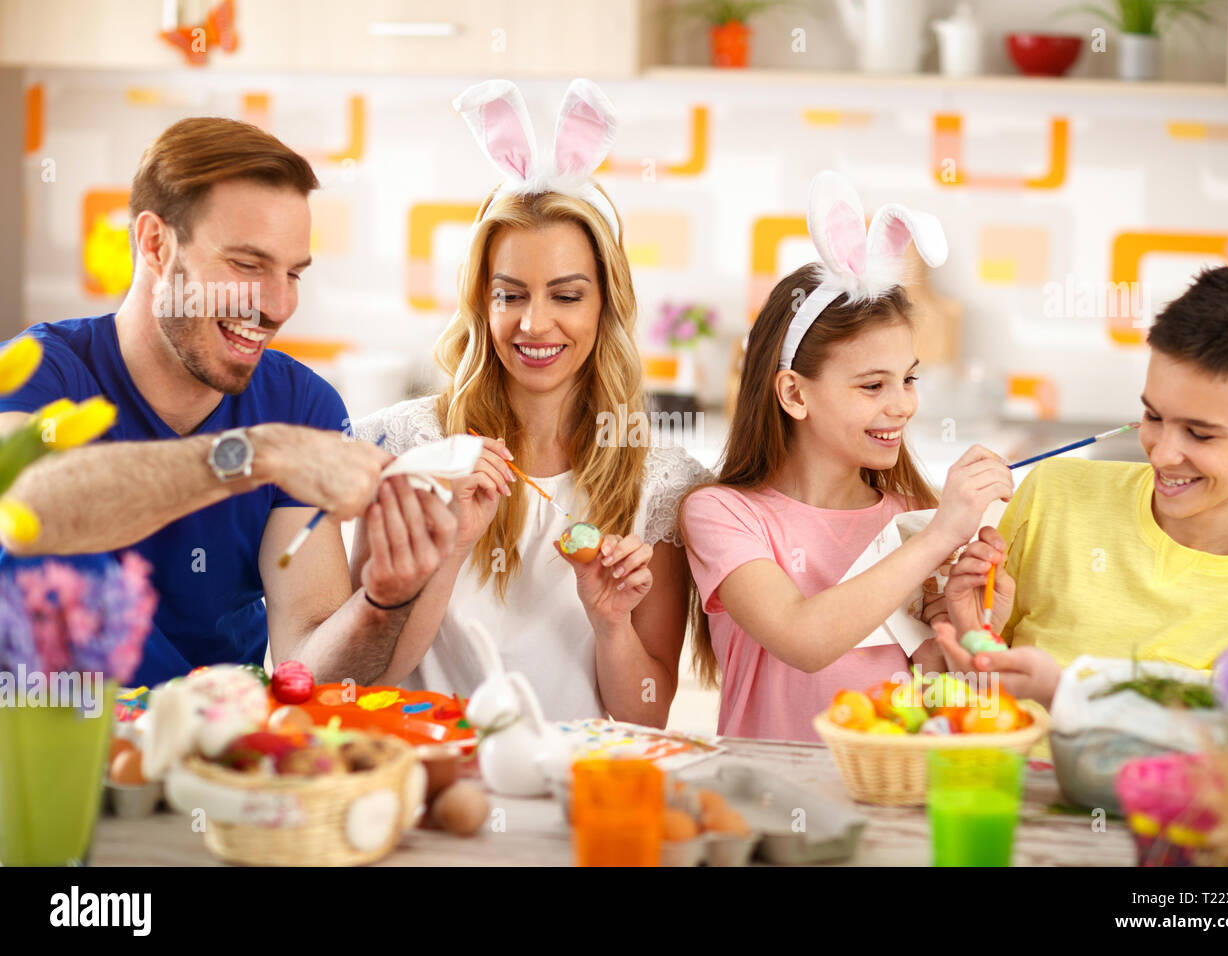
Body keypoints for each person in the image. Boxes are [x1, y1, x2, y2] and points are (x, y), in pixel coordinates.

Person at [0, 117, 458, 686]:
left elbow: (305, 667)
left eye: (293, 273)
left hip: (211, 758)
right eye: (247, 264)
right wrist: (255, 454)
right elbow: (26, 511)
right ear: (155, 243)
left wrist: (380, 605)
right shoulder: (37, 372)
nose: (277, 305)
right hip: (44, 747)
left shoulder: (301, 406)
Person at [350, 79, 711, 725]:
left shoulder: (660, 485)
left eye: (567, 296)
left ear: (606, 305)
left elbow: (646, 718)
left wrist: (611, 625)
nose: (534, 324)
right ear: (481, 303)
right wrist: (453, 545)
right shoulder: (402, 452)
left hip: (573, 795)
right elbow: (360, 678)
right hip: (428, 786)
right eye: (510, 295)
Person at [678, 171, 1013, 742]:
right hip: (768, 804)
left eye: (908, 379)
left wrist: (972, 626)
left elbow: (941, 708)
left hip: (890, 799)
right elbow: (804, 639)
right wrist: (937, 538)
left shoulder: (911, 517)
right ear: (794, 393)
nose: (903, 405)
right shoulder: (723, 514)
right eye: (872, 386)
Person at [932, 266, 1228, 707]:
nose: (1162, 454)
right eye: (1154, 417)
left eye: (1200, 433)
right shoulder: (1054, 494)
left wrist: (1062, 693)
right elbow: (975, 711)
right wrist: (977, 640)